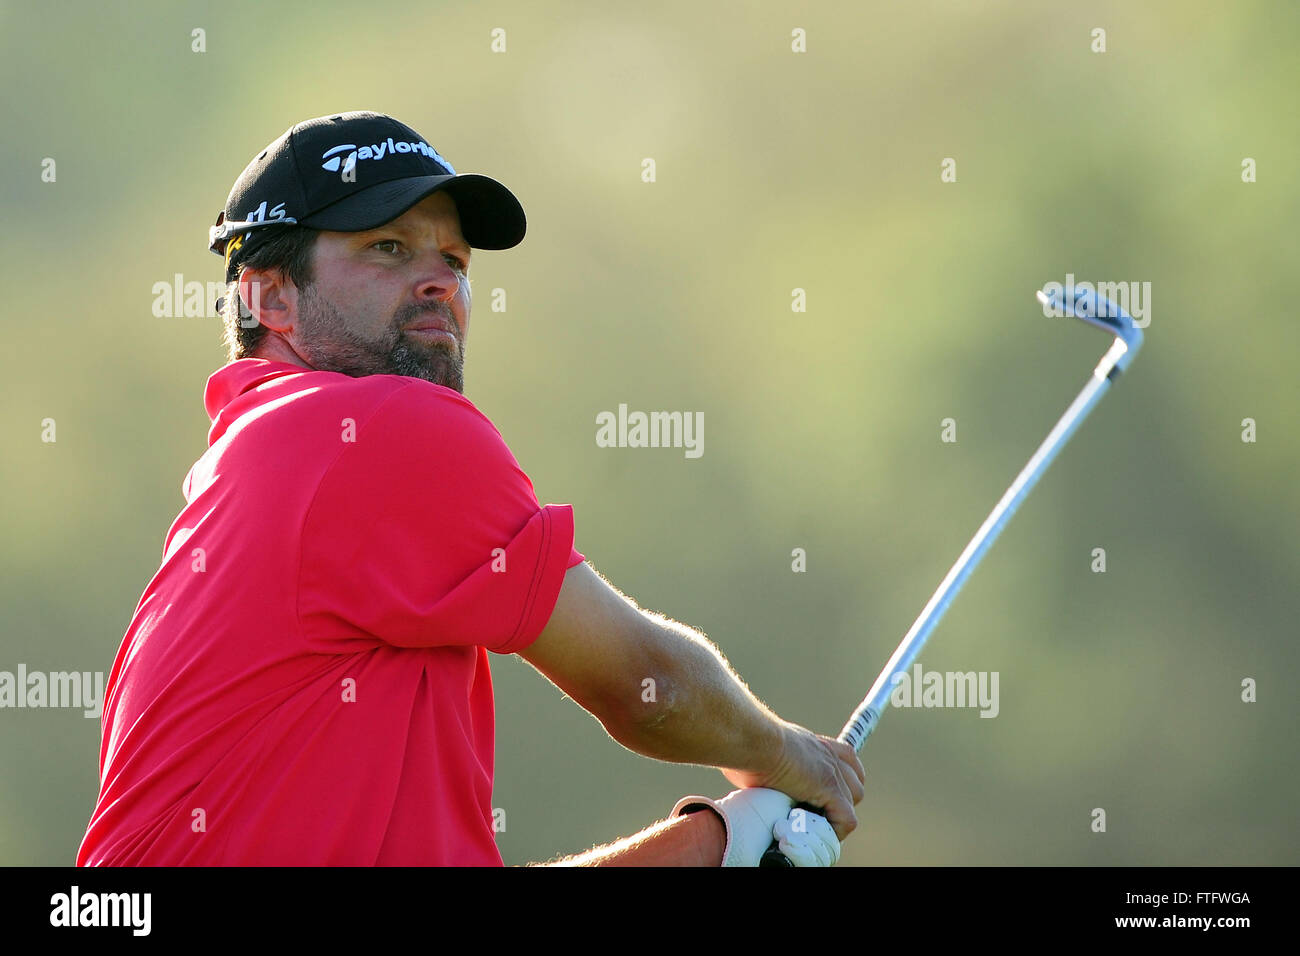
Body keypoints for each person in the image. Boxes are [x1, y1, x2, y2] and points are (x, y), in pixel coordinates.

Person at [77, 111, 864, 867]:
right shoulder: (376, 427)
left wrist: (712, 848)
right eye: (388, 248)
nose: (437, 284)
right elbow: (647, 689)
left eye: (453, 261)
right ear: (269, 296)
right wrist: (792, 760)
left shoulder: (253, 467)